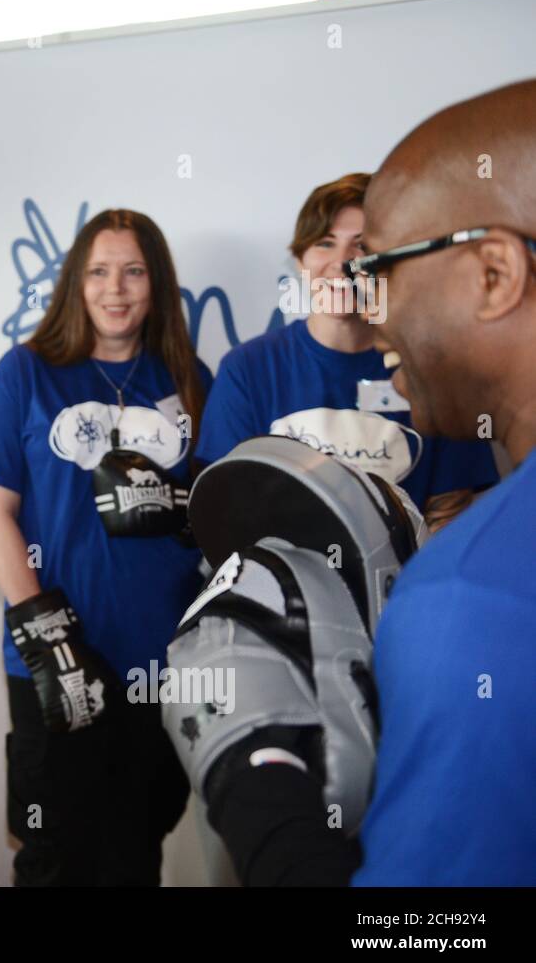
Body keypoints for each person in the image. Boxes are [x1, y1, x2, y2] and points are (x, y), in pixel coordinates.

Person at [193, 79, 536, 886]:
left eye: (380, 264)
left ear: (494, 275)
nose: (368, 304)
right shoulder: (253, 368)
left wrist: (265, 802)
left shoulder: (473, 600)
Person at [0, 209, 212, 886]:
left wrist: (181, 507)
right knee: (52, 853)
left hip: (158, 663)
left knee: (136, 850)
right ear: (76, 282)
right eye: (99, 271)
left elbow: (221, 514)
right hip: (54, 665)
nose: (116, 288)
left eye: (133, 270)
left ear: (157, 284)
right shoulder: (25, 373)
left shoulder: (189, 378)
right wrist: (49, 638)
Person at [195, 173, 497, 526]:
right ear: (299, 261)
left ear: (389, 258)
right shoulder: (247, 369)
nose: (341, 262)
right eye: (325, 242)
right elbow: (227, 506)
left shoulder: (433, 370)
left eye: (361, 244)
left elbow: (449, 512)